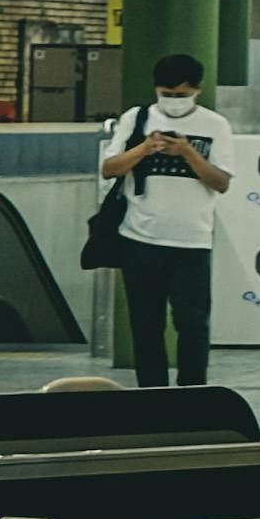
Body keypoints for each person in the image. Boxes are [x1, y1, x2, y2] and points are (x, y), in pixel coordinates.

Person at [96, 53, 229, 388]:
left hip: (192, 241)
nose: (173, 102)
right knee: (145, 325)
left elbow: (221, 182)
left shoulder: (215, 125)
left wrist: (188, 153)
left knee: (193, 323)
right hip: (140, 239)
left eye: (182, 95)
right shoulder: (135, 119)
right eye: (166, 94)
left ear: (197, 90)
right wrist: (144, 148)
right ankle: (152, 395)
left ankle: (193, 393)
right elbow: (109, 168)